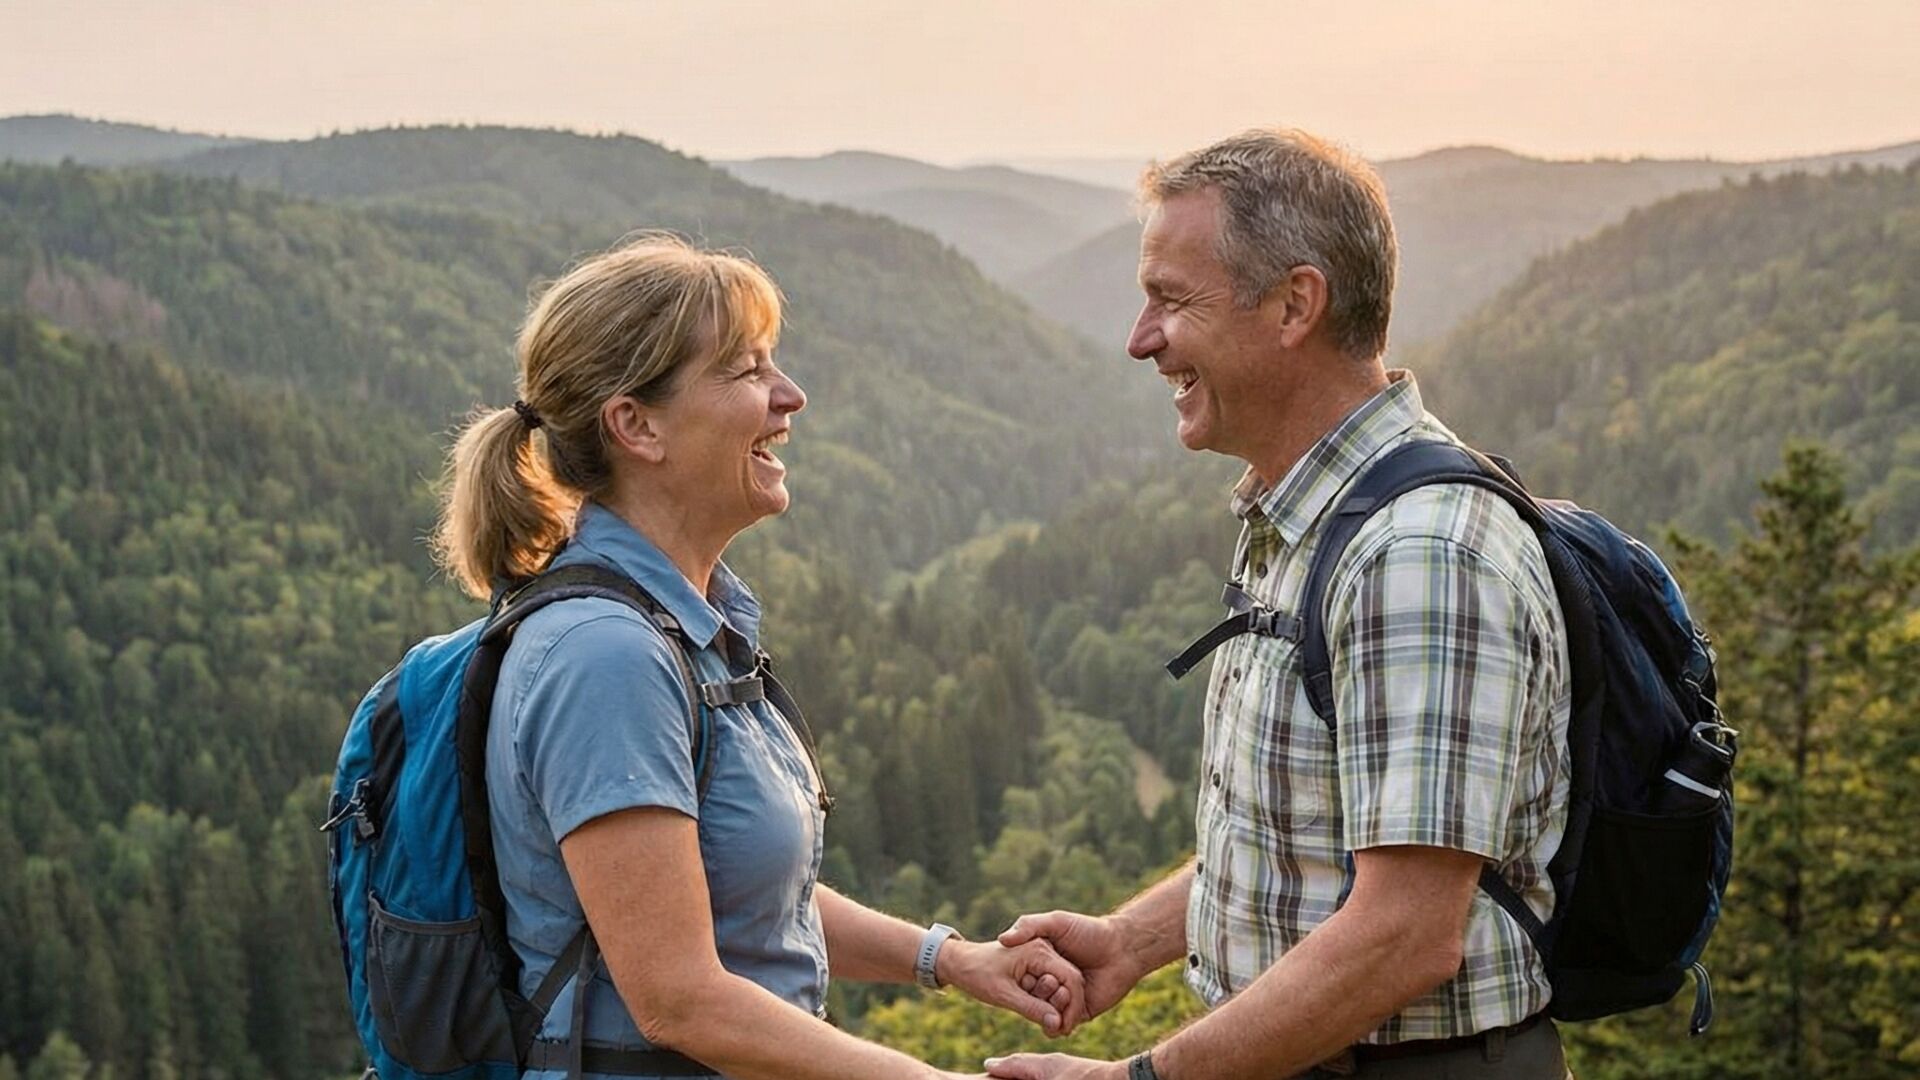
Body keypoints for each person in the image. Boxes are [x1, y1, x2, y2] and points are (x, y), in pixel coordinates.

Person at [985, 129, 1573, 1079]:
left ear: (1296, 304)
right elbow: (1312, 845)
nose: (1141, 340)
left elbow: (1407, 934)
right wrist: (1132, 941)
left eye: (1172, 301)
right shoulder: (1312, 514)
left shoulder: (1415, 556)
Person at [434, 234, 1082, 1080]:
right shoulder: (605, 658)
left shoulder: (682, 628)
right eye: (745, 371)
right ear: (636, 425)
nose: (790, 396)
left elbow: (729, 893)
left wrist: (951, 960)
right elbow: (678, 996)